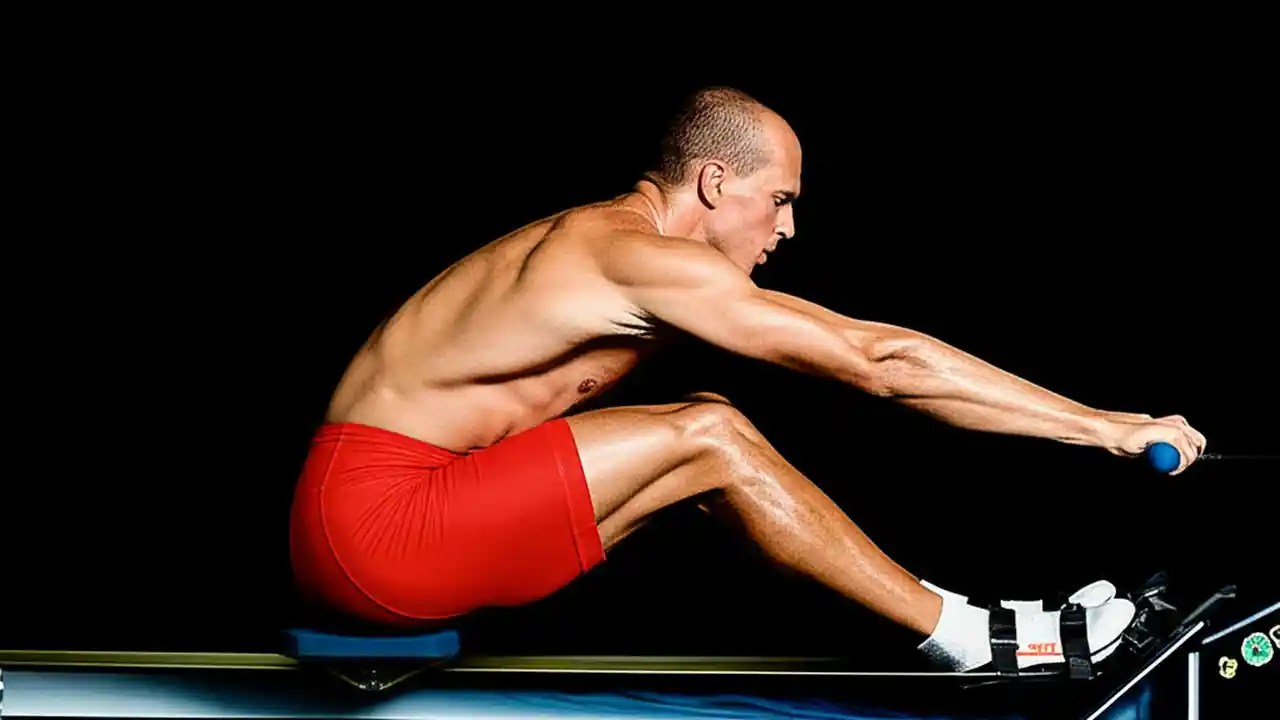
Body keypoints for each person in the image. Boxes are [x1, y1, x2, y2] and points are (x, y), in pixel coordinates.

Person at [288, 86, 1207, 673]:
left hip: (376, 513)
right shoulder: (631, 257)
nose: (789, 229)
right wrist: (1103, 425)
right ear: (715, 181)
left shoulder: (602, 241)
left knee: (706, 431)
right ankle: (980, 639)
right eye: (782, 199)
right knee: (711, 437)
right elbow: (880, 362)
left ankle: (971, 628)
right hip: (376, 528)